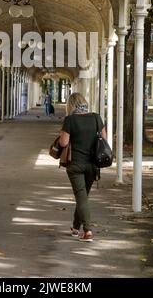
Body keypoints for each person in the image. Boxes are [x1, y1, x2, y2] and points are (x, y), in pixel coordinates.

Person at [59, 92, 107, 242]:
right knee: (83, 196)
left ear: (71, 105)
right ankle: (75, 227)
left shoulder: (70, 120)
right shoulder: (96, 118)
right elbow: (104, 140)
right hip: (93, 165)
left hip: (75, 165)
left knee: (81, 196)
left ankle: (87, 231)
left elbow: (63, 143)